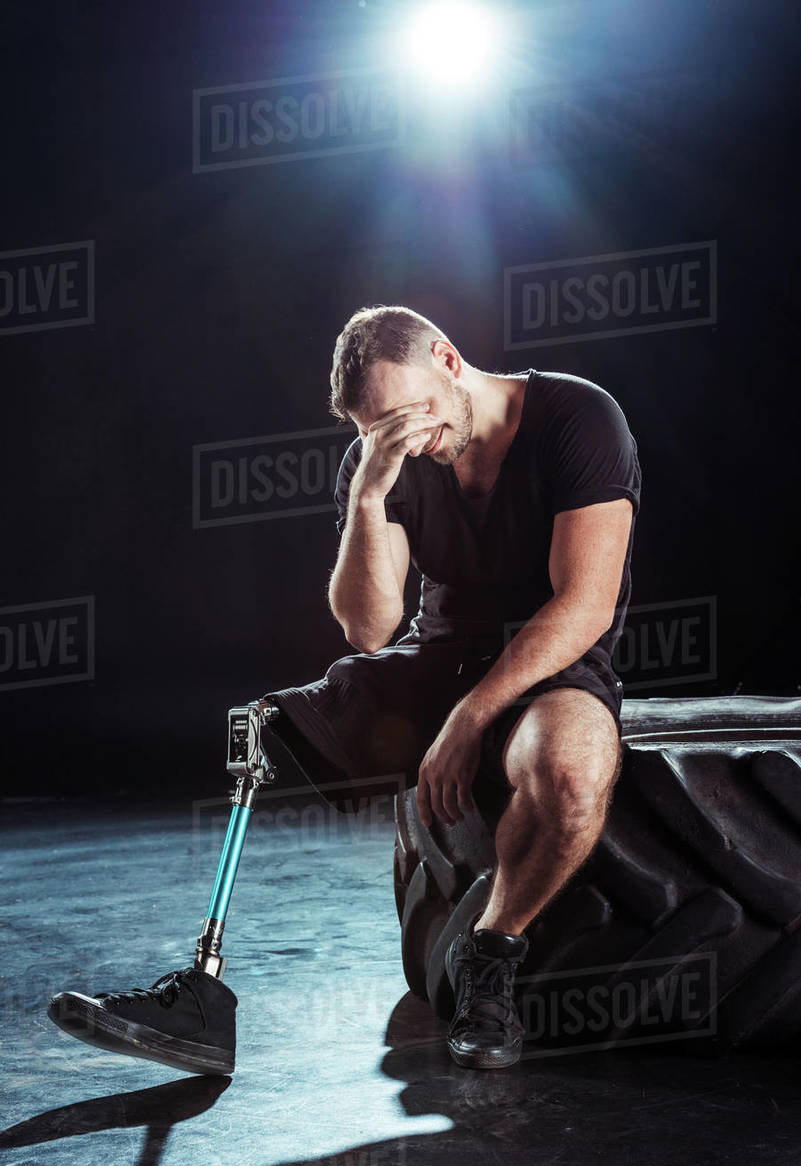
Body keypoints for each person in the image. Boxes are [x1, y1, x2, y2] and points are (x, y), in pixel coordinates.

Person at [48, 304, 641, 1073]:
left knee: (569, 767)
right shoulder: (380, 460)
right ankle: (201, 997)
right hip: (440, 655)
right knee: (258, 729)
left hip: (552, 659)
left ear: (447, 360)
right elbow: (369, 628)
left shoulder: (577, 416)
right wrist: (367, 493)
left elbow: (586, 603)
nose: (410, 442)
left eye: (413, 416)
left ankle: (489, 958)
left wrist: (469, 719)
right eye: (380, 432)